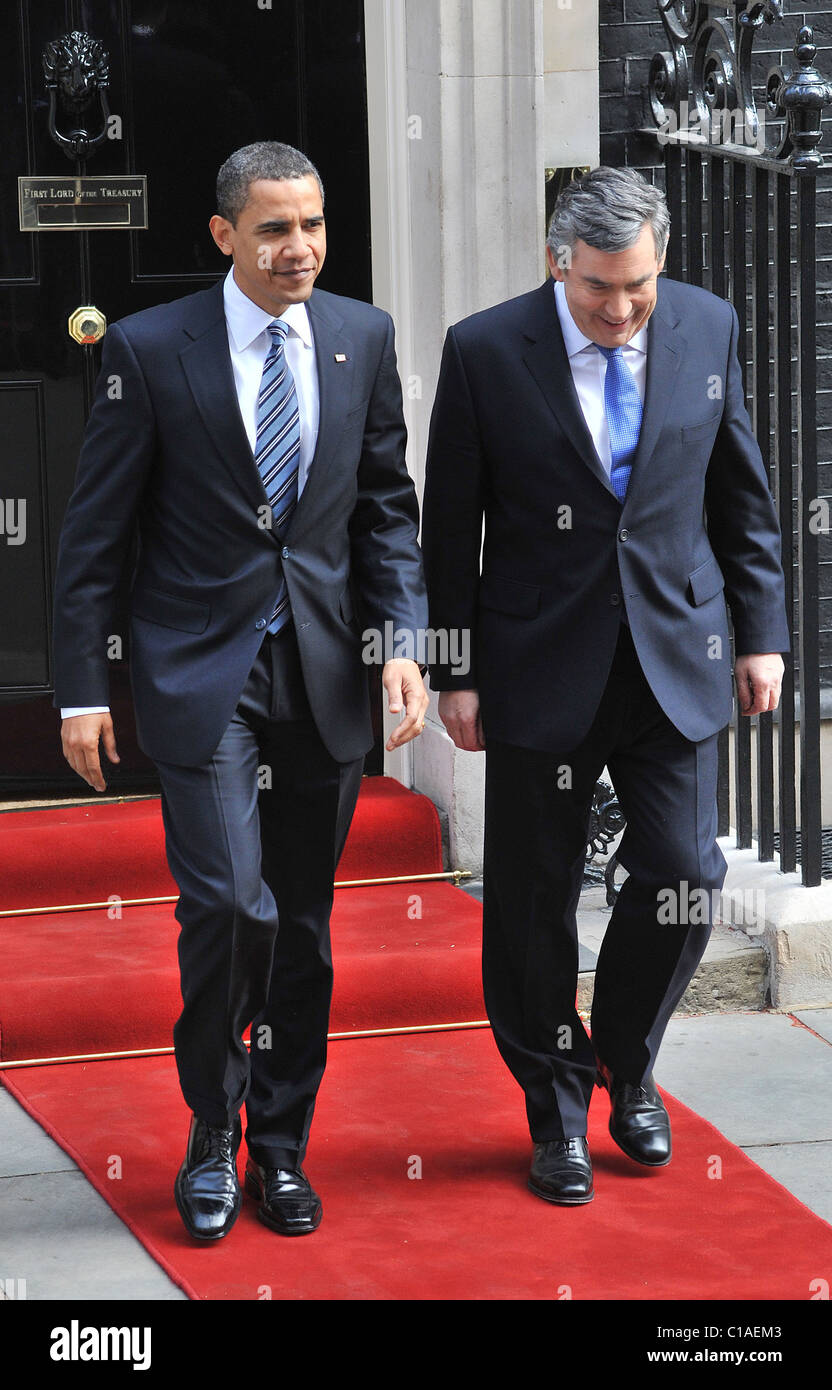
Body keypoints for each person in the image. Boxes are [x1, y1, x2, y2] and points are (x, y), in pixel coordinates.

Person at [53, 141, 429, 1240]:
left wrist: (402, 639)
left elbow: (383, 511)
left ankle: (280, 1146)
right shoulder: (148, 347)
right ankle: (211, 1128)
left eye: (311, 225)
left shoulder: (362, 337)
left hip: (322, 674)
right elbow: (92, 538)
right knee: (228, 902)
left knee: (302, 927)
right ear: (223, 235)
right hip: (199, 672)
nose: (298, 248)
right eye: (273, 229)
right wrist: (84, 685)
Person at [421, 166, 788, 1206]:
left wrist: (760, 634)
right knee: (534, 903)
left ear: (659, 263)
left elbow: (742, 494)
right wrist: (454, 667)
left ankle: (623, 1061)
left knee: (684, 870)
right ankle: (552, 1110)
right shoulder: (487, 350)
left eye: (637, 287)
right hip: (538, 663)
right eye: (597, 290)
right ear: (556, 262)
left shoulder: (706, 328)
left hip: (677, 654)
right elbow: (449, 527)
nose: (620, 311)